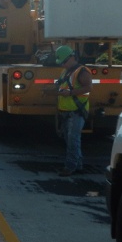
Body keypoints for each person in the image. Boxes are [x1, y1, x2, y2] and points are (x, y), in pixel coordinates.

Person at [49, 45, 92, 177]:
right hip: (66, 111)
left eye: (64, 62)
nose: (63, 65)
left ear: (71, 57)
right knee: (70, 139)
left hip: (76, 111)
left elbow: (88, 88)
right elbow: (60, 85)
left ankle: (70, 167)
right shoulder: (66, 71)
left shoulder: (82, 71)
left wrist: (71, 93)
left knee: (73, 140)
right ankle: (78, 165)